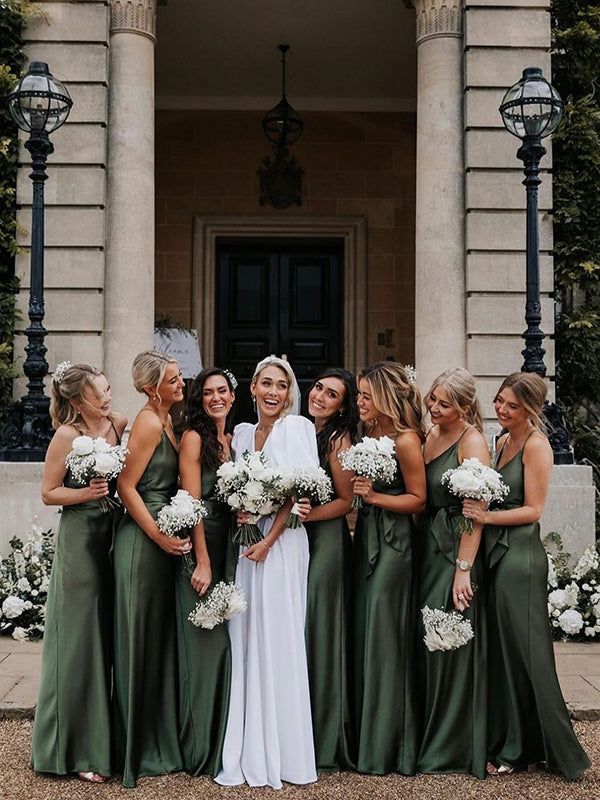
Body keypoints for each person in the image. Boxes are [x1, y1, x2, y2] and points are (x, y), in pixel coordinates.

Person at [463, 372, 590, 780]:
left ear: (530, 409)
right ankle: (517, 744)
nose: (501, 409)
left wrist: (485, 516)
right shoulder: (501, 442)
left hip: (521, 560)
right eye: (499, 401)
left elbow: (534, 510)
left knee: (531, 656)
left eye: (512, 406)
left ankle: (556, 753)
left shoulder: (537, 446)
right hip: (498, 557)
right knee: (506, 655)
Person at [216, 356, 318, 789]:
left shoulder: (299, 429)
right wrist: (242, 509)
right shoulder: (242, 434)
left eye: (282, 385)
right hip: (249, 542)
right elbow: (239, 485)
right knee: (247, 634)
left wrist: (269, 540)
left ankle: (285, 753)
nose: (274, 392)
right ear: (253, 388)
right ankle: (247, 742)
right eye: (267, 384)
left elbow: (298, 493)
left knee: (279, 635)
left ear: (289, 392)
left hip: (282, 543)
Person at [31, 362, 127, 783]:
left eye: (107, 390)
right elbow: (49, 492)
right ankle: (74, 749)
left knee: (108, 637)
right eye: (97, 394)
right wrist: (85, 493)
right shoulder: (66, 436)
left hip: (115, 538)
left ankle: (111, 740)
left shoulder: (120, 424)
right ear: (76, 400)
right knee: (80, 642)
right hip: (80, 543)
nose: (106, 399)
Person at [112, 351, 188, 788]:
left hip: (163, 538)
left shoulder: (166, 418)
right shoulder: (147, 422)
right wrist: (158, 536)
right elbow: (126, 486)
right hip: (142, 543)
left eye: (179, 378)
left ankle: (157, 743)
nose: (181, 384)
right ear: (151, 388)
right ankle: (134, 752)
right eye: (173, 380)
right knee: (138, 642)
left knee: (156, 642)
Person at [352, 361, 426, 775]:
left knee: (386, 636)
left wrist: (376, 498)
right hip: (366, 538)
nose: (360, 402)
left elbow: (418, 498)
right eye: (360, 395)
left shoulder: (406, 440)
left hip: (395, 545)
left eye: (366, 396)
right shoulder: (370, 435)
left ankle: (391, 747)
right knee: (368, 631)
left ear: (383, 397)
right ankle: (367, 737)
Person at [416, 368, 489, 778]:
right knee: (427, 637)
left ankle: (451, 745)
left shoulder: (472, 441)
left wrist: (464, 570)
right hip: (427, 544)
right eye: (433, 399)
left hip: (453, 549)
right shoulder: (430, 434)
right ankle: (430, 733)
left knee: (448, 637)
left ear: (463, 406)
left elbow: (475, 515)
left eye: (444, 404)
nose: (435, 408)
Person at [176, 367, 236, 776]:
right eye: (208, 392)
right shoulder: (194, 438)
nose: (216, 397)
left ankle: (224, 739)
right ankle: (198, 747)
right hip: (204, 545)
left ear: (233, 396)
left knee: (225, 643)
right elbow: (193, 502)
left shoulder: (233, 439)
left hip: (230, 543)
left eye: (223, 391)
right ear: (199, 399)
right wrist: (202, 560)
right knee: (204, 645)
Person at [304, 368, 358, 771]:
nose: (320, 397)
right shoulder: (305, 430)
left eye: (332, 395)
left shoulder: (338, 440)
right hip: (302, 539)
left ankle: (326, 733)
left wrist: (301, 519)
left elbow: (346, 501)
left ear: (343, 405)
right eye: (319, 388)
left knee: (321, 627)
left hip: (326, 541)